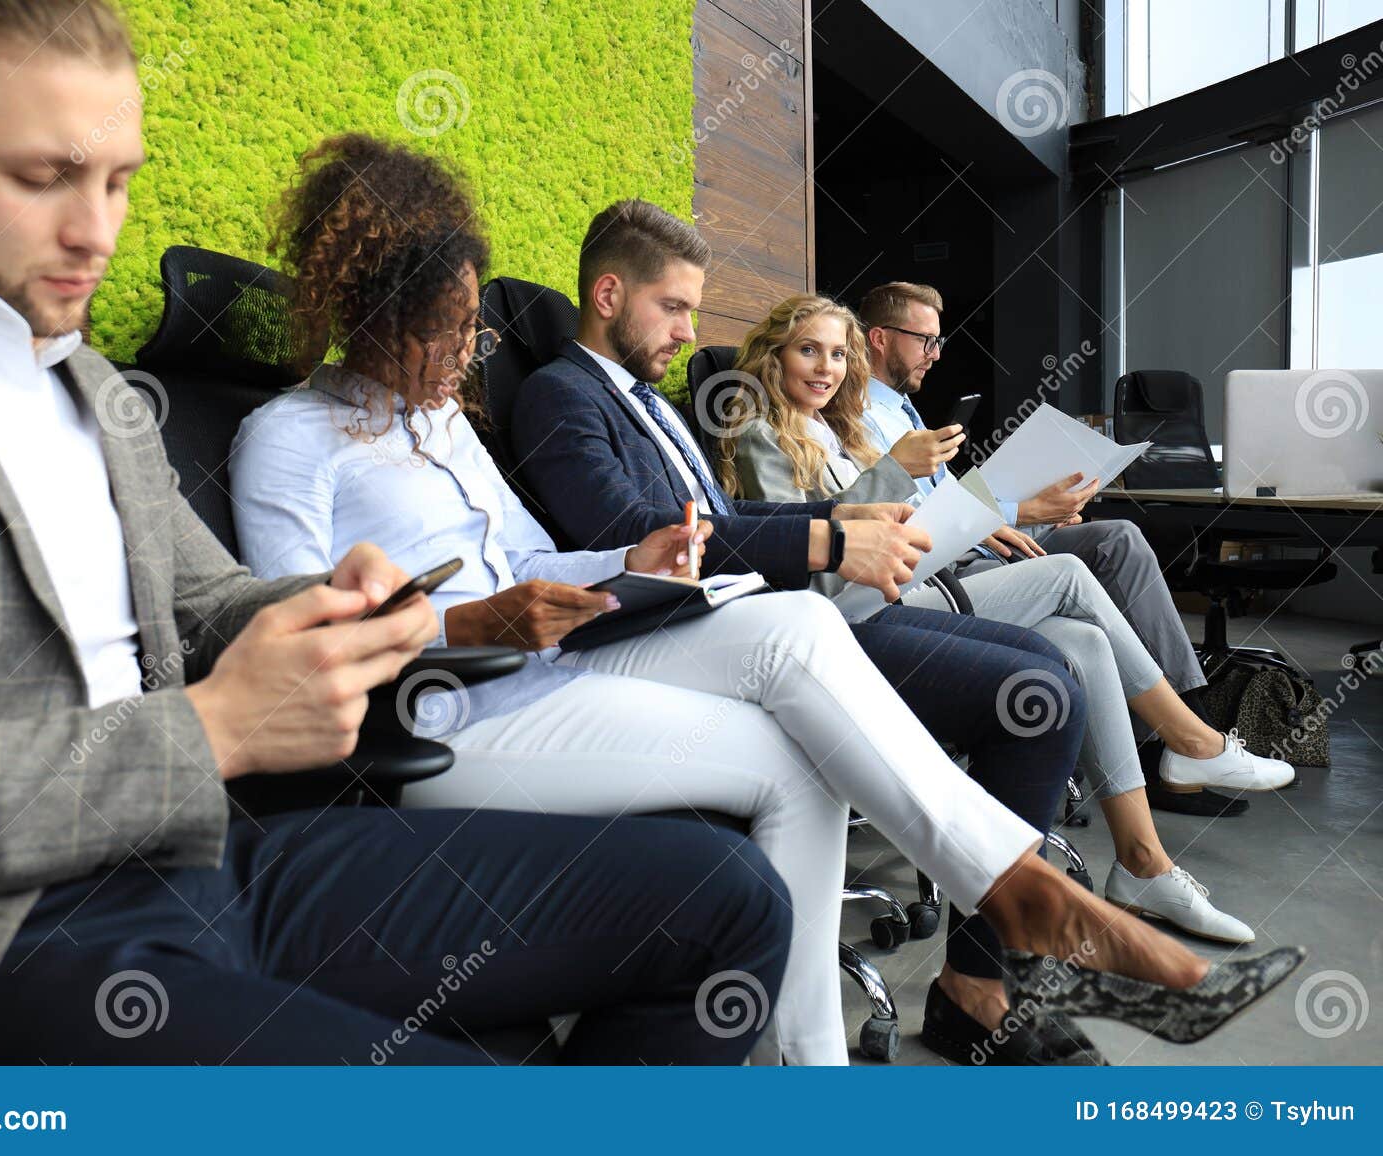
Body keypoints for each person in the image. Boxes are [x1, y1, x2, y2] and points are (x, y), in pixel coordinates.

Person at [0, 0, 799, 1067]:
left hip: (210, 856)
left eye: (118, 180)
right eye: (45, 178)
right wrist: (211, 732)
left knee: (727, 904)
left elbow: (211, 599)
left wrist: (349, 603)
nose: (96, 230)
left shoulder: (84, 384)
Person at [233, 144, 1303, 1065]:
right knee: (803, 725)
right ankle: (1010, 889)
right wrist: (467, 623)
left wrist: (631, 550)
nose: (467, 358)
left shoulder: (446, 428)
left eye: (473, 330)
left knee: (796, 650)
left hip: (558, 655)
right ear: (369, 313)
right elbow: (294, 636)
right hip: (454, 711)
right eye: (445, 332)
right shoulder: (286, 438)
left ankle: (847, 1037)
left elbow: (531, 552)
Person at [716, 296, 1297, 1060]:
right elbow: (807, 550)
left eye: (835, 355)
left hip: (914, 578)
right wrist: (902, 477)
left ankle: (1143, 861)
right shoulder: (761, 434)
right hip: (856, 611)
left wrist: (956, 504)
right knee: (1070, 578)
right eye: (807, 353)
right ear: (774, 356)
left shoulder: (848, 428)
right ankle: (1189, 739)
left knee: (1083, 645)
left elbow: (907, 522)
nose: (825, 369)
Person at [856, 281, 1254, 818]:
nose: (936, 353)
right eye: (925, 340)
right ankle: (1184, 740)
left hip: (979, 533)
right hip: (945, 559)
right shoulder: (856, 417)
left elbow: (942, 497)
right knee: (1078, 585)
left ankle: (1177, 731)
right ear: (880, 338)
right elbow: (899, 518)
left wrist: (1026, 502)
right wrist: (1013, 512)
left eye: (938, 340)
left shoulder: (905, 410)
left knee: (1119, 538)